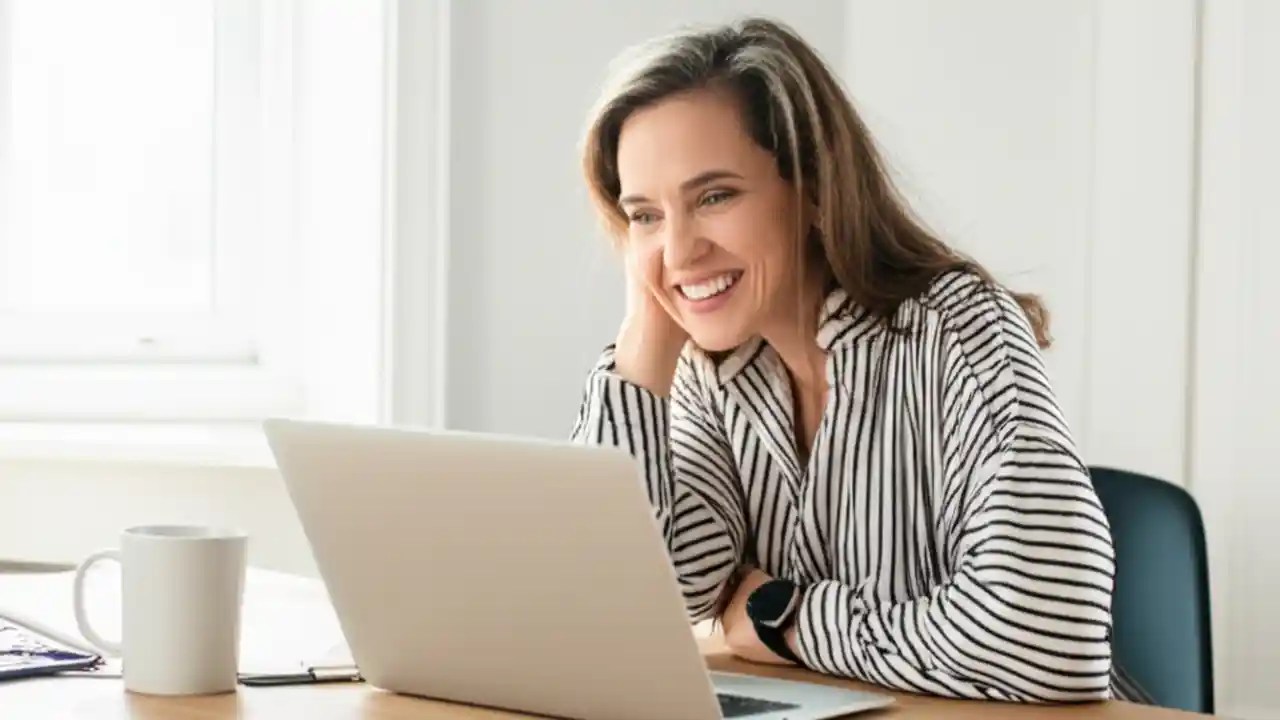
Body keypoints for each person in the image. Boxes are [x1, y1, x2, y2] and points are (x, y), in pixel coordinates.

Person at [570, 17, 1141, 704]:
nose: (680, 249)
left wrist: (785, 616)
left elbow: (1050, 640)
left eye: (714, 197)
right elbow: (620, 613)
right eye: (645, 216)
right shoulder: (712, 370)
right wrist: (642, 346)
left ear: (812, 189)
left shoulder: (955, 329)